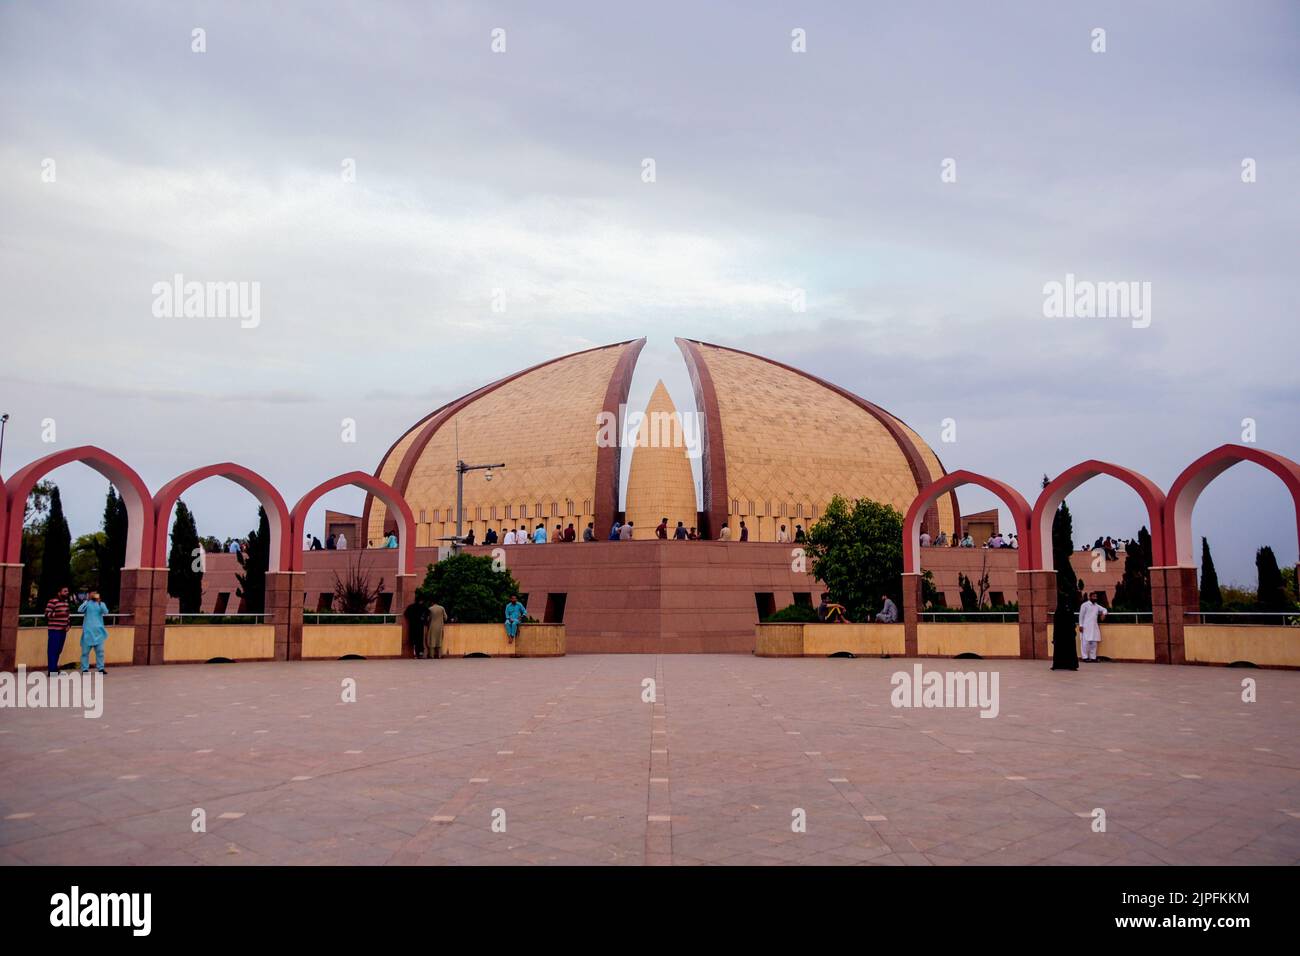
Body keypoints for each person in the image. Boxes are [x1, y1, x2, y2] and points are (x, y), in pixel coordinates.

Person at [78, 590, 110, 675]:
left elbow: (106, 612)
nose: (94, 595)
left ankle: (101, 668)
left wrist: (99, 602)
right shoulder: (87, 603)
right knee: (85, 653)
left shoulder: (101, 604)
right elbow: (80, 610)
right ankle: (85, 669)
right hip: (88, 632)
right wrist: (87, 600)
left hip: (98, 632)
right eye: (93, 594)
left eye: (96, 594)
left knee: (100, 652)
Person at [44, 585, 72, 676]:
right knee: (53, 650)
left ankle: (54, 668)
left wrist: (68, 624)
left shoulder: (66, 603)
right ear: (59, 592)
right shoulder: (52, 602)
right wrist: (58, 613)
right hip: (54, 630)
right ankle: (51, 671)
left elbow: (68, 615)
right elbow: (47, 614)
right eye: (64, 591)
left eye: (67, 591)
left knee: (58, 650)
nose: (66, 593)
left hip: (63, 630)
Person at [1078, 592, 1108, 662]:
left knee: (1094, 643)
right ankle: (1085, 657)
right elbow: (1081, 616)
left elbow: (1105, 609)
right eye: (1094, 597)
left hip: (1094, 627)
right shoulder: (1084, 605)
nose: (1095, 598)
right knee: (1085, 643)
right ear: (1090, 597)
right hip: (1086, 626)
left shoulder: (1096, 606)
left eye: (1096, 597)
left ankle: (1093, 657)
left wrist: (1103, 614)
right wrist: (1080, 625)